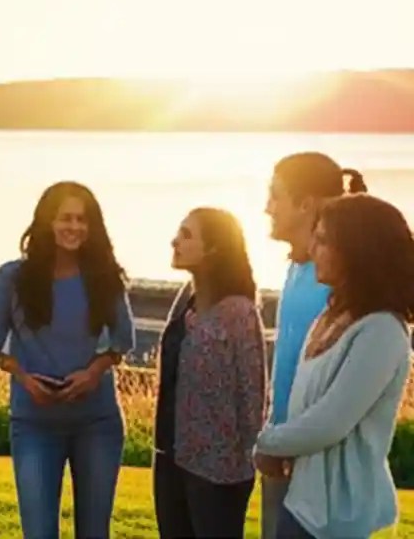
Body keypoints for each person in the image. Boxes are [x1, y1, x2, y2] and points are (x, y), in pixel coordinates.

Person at [0, 181, 135, 539]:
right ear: (47, 221)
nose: (74, 227)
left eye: (83, 220)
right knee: (38, 532)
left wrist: (94, 372)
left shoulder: (104, 277)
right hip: (34, 423)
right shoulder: (12, 277)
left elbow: (123, 342)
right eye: (66, 218)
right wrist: (25, 377)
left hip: (97, 422)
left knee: (94, 533)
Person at [254, 193, 414, 539]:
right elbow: (303, 408)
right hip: (303, 505)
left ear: (357, 251)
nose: (312, 250)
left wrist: (268, 442)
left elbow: (330, 422)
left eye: (323, 240)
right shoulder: (330, 318)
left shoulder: (381, 330)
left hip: (343, 520)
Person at [259, 152, 365, 537]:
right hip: (281, 452)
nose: (266, 207)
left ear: (305, 204)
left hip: (319, 465)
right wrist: (273, 434)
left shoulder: (341, 278)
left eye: (275, 196)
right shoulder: (297, 266)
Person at [153, 207, 267, 538]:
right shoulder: (187, 298)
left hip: (218, 471)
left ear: (215, 248)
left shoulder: (239, 312)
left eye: (187, 235)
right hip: (170, 458)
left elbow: (253, 395)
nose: (175, 241)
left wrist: (248, 461)